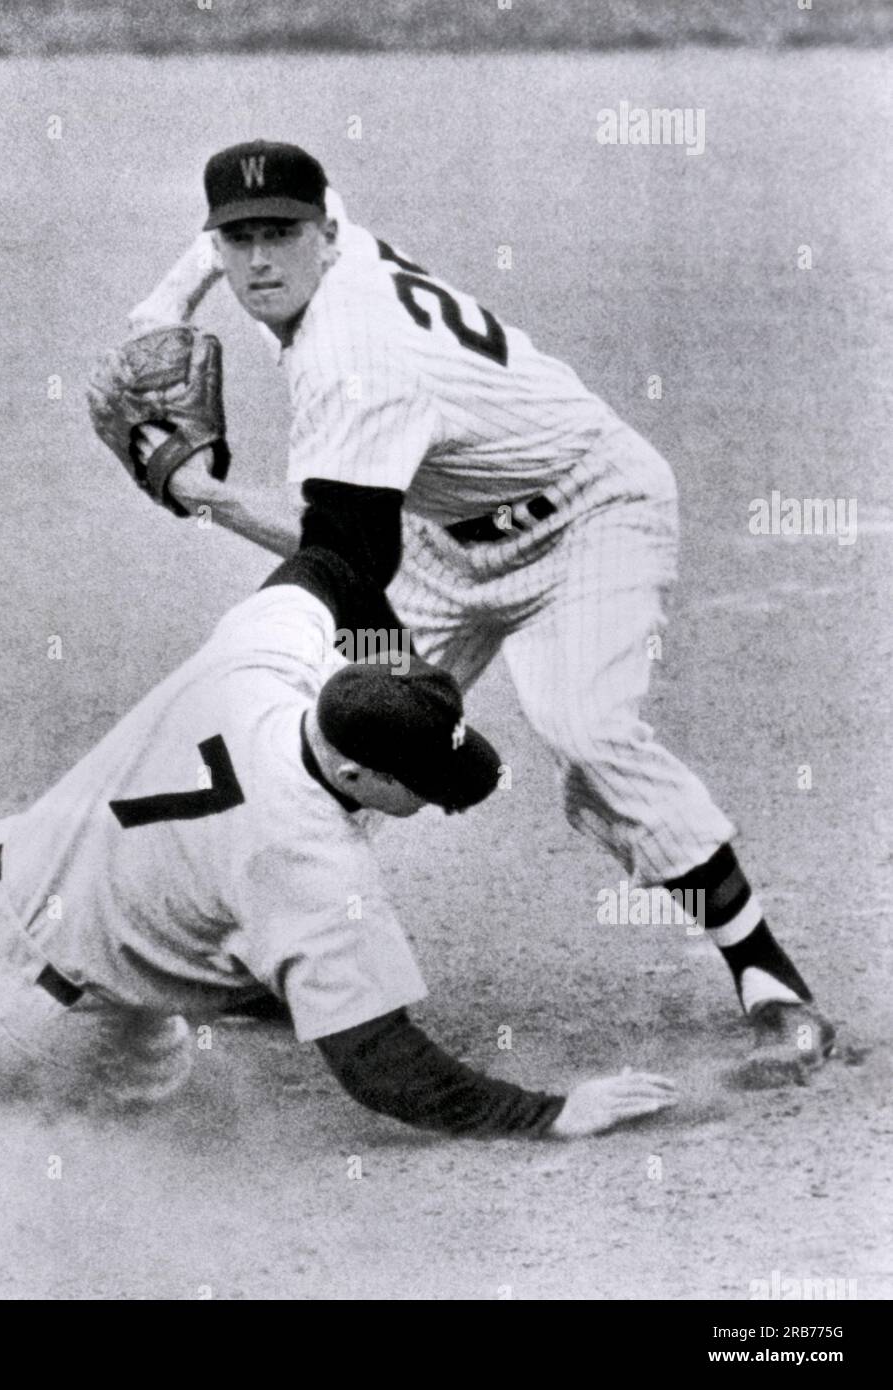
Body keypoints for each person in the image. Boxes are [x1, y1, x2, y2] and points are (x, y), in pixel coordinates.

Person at [123, 139, 834, 1086]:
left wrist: (210, 501)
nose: (257, 262)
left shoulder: (351, 357)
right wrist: (162, 307)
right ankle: (262, 953)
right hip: (444, 539)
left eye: (280, 237)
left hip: (589, 511)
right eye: (238, 239)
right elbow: (225, 252)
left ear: (326, 236)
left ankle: (771, 983)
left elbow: (345, 562)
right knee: (312, 726)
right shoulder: (313, 261)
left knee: (579, 725)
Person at [0, 530, 677, 1137]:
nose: (433, 801)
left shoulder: (263, 663)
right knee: (169, 1095)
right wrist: (546, 1113)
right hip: (49, 1031)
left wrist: (397, 670)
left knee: (206, 916)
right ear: (355, 779)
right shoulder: (307, 863)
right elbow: (381, 1067)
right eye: (421, 790)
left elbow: (325, 565)